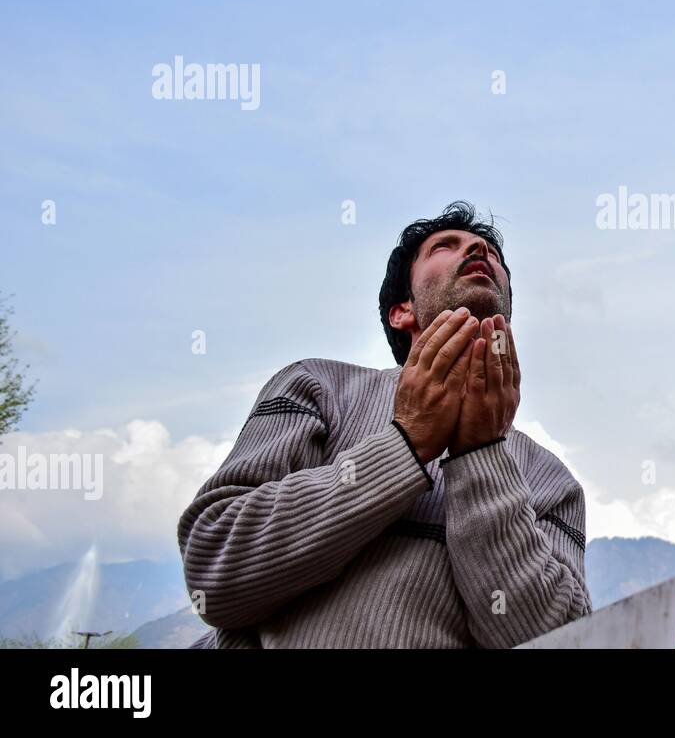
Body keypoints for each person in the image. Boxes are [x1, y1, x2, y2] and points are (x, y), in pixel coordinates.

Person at [177, 201, 591, 647]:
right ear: (402, 310)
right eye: (444, 247)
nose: (476, 248)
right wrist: (405, 444)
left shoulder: (550, 479)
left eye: (490, 251)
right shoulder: (319, 387)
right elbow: (214, 575)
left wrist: (481, 456)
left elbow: (561, 639)